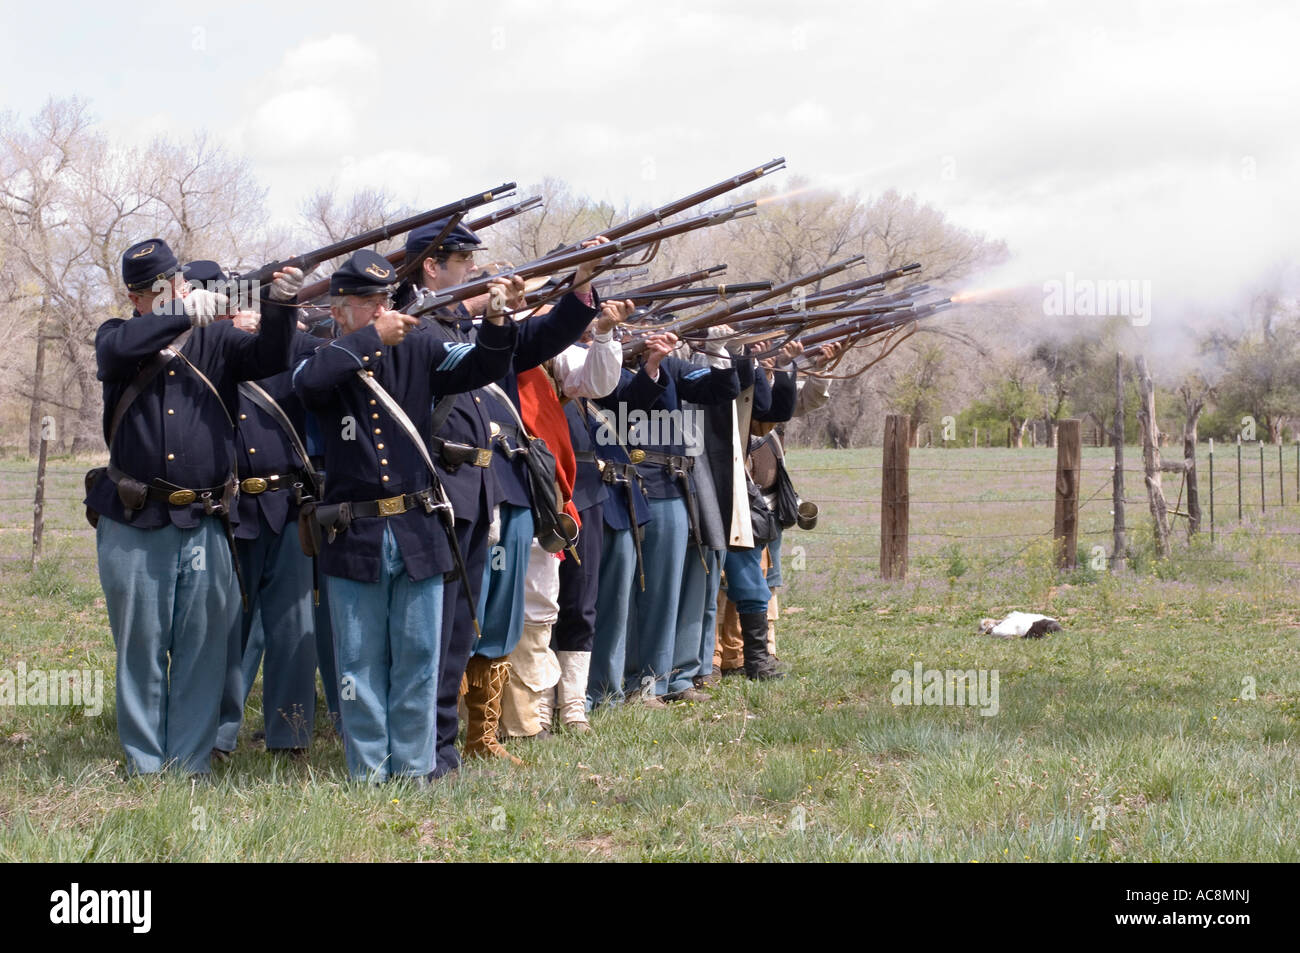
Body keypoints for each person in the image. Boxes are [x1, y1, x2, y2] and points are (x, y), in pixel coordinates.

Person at [292, 249, 518, 782]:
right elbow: (308, 384)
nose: (379, 310)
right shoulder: (326, 353)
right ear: (340, 309)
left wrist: (498, 319)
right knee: (360, 662)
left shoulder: (421, 347)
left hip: (417, 524)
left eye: (383, 300)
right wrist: (371, 339)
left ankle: (416, 766)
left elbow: (482, 366)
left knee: (420, 654)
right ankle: (369, 770)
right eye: (367, 303)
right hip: (355, 528)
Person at [88, 238, 299, 775]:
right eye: (154, 292)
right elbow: (120, 350)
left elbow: (273, 357)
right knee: (142, 647)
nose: (169, 294)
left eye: (175, 285)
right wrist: (184, 311)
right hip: (137, 518)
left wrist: (281, 304)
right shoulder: (118, 337)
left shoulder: (218, 340)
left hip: (205, 517)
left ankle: (190, 762)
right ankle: (145, 763)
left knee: (203, 649)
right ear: (136, 298)